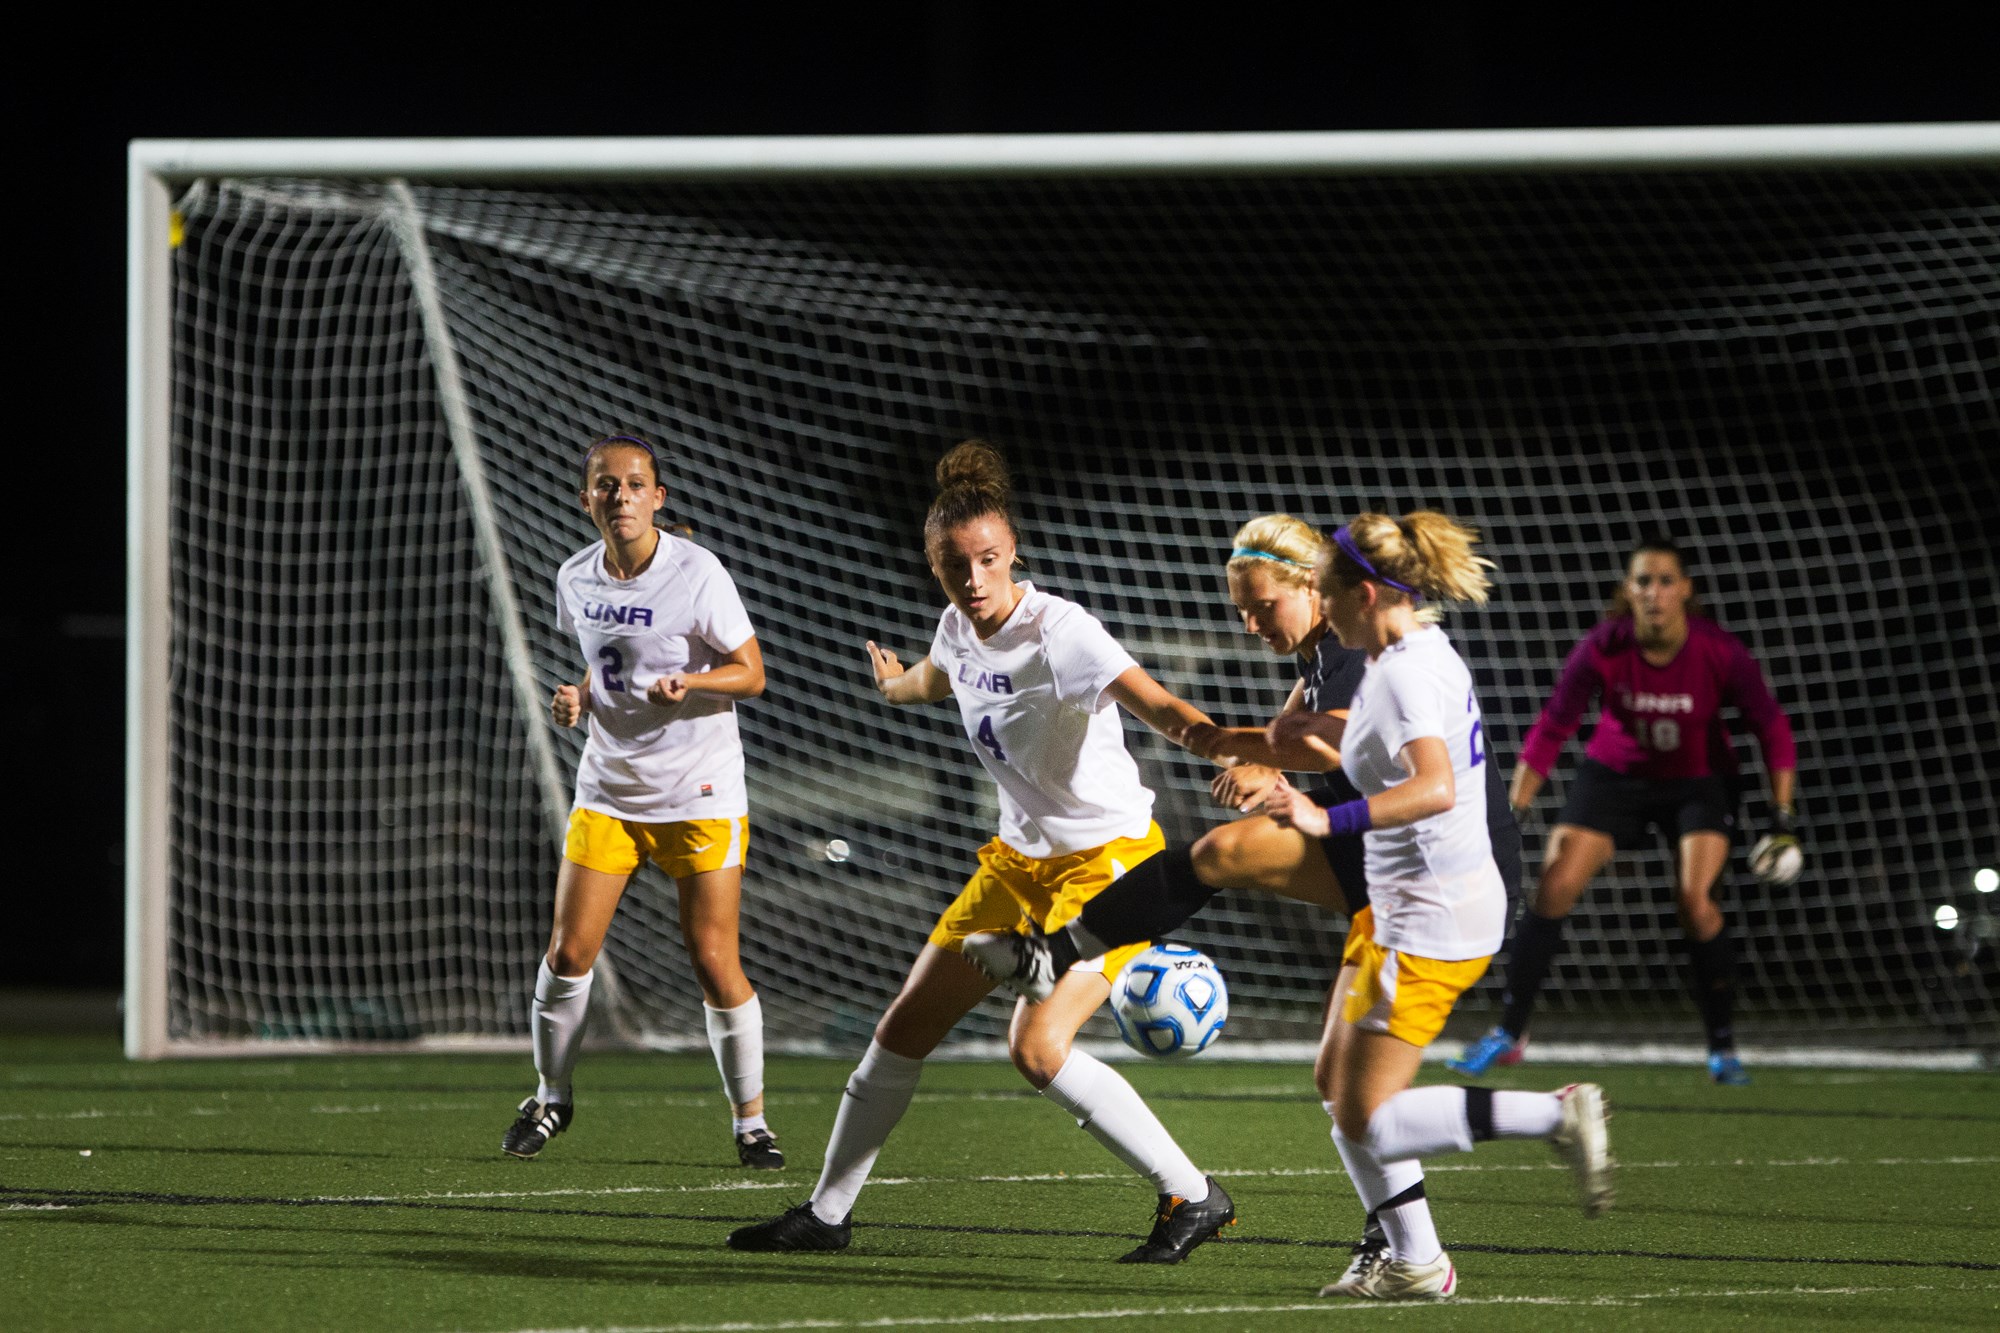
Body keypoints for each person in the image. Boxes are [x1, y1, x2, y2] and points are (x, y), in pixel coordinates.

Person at [726, 440, 1235, 1263]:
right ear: (936, 568)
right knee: (902, 1028)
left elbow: (1163, 706)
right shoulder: (957, 627)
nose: (974, 579)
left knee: (1036, 1048)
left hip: (1109, 863)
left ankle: (1192, 1193)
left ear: (1012, 554)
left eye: (989, 560)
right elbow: (945, 673)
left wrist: (1228, 751)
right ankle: (826, 1214)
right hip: (1016, 864)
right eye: (956, 566)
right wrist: (897, 686)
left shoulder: (1061, 630)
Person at [1260, 512, 1614, 1301]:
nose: (1317, 602)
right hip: (1402, 904)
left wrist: (1325, 819)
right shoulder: (1404, 652)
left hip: (1432, 911)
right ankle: (1418, 1260)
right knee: (1335, 1085)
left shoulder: (1404, 672)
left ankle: (1554, 1117)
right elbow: (1385, 751)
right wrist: (1310, 727)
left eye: (1323, 589)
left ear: (1365, 593)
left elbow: (1433, 786)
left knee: (1365, 1120)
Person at [503, 433, 783, 1171]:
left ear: (658, 497)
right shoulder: (575, 577)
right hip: (611, 791)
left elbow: (751, 673)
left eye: (634, 484)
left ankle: (751, 1122)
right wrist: (579, 696)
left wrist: (694, 683)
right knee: (567, 953)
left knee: (714, 958)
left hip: (700, 791)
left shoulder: (698, 573)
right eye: (606, 484)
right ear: (586, 496)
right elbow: (607, 669)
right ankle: (550, 1095)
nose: (620, 495)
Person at [1448, 538, 1798, 1087]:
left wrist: (1782, 817)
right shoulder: (1603, 647)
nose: (1653, 592)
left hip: (1698, 783)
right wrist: (1512, 808)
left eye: (1664, 580)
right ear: (1627, 592)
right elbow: (1553, 726)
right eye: (1641, 581)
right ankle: (1509, 1032)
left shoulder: (1718, 651)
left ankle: (1723, 1046)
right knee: (1554, 884)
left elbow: (1772, 727)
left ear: (1685, 589)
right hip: (1615, 777)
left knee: (1695, 902)